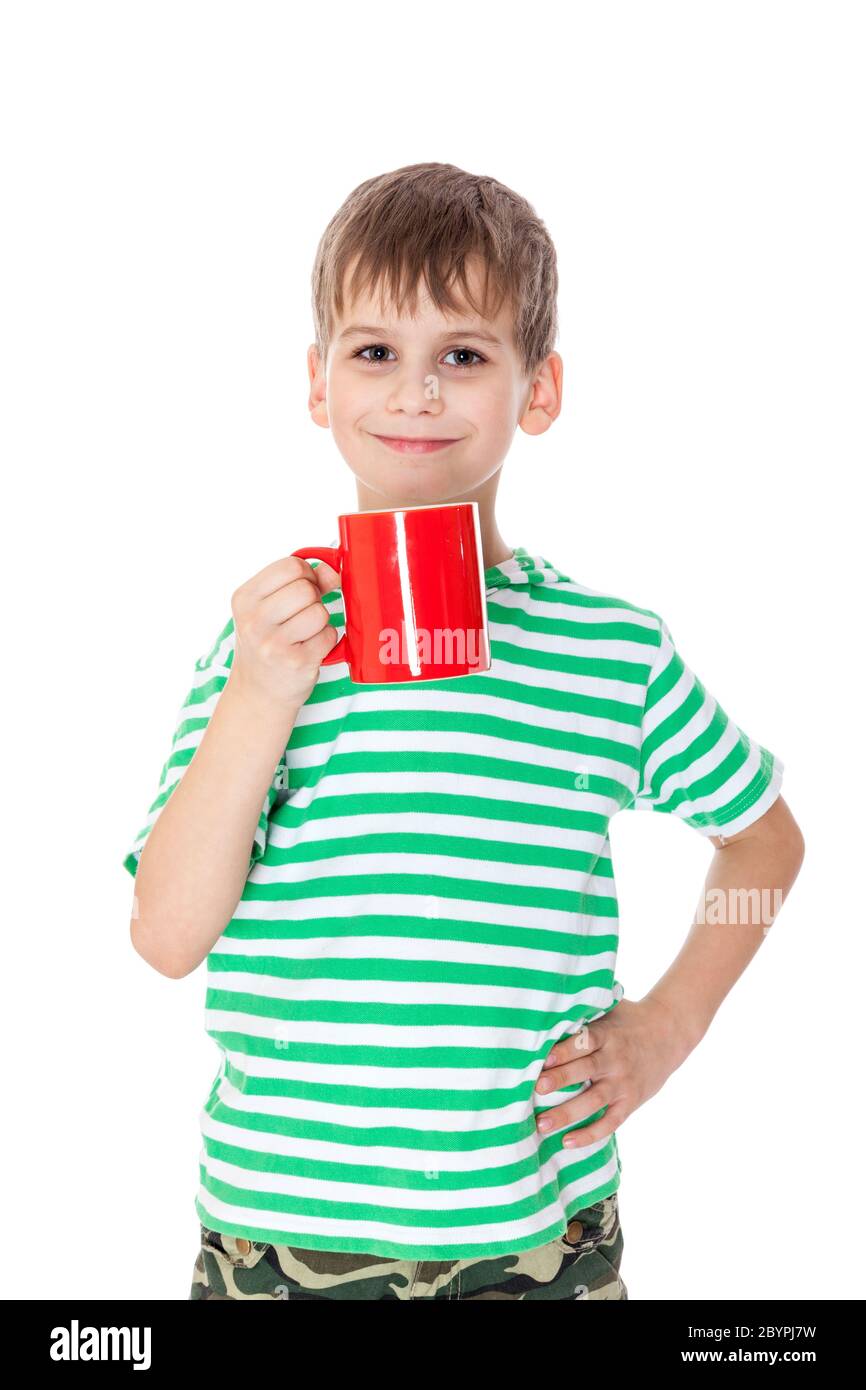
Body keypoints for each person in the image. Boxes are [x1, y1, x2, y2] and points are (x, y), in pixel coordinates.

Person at [123, 162, 805, 1301]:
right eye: (375, 351)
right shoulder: (263, 643)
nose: (416, 392)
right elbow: (165, 933)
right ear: (318, 381)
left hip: (537, 1237)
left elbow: (764, 843)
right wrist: (259, 695)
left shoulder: (610, 652)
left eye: (464, 355)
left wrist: (669, 1022)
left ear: (536, 391)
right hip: (278, 1235)